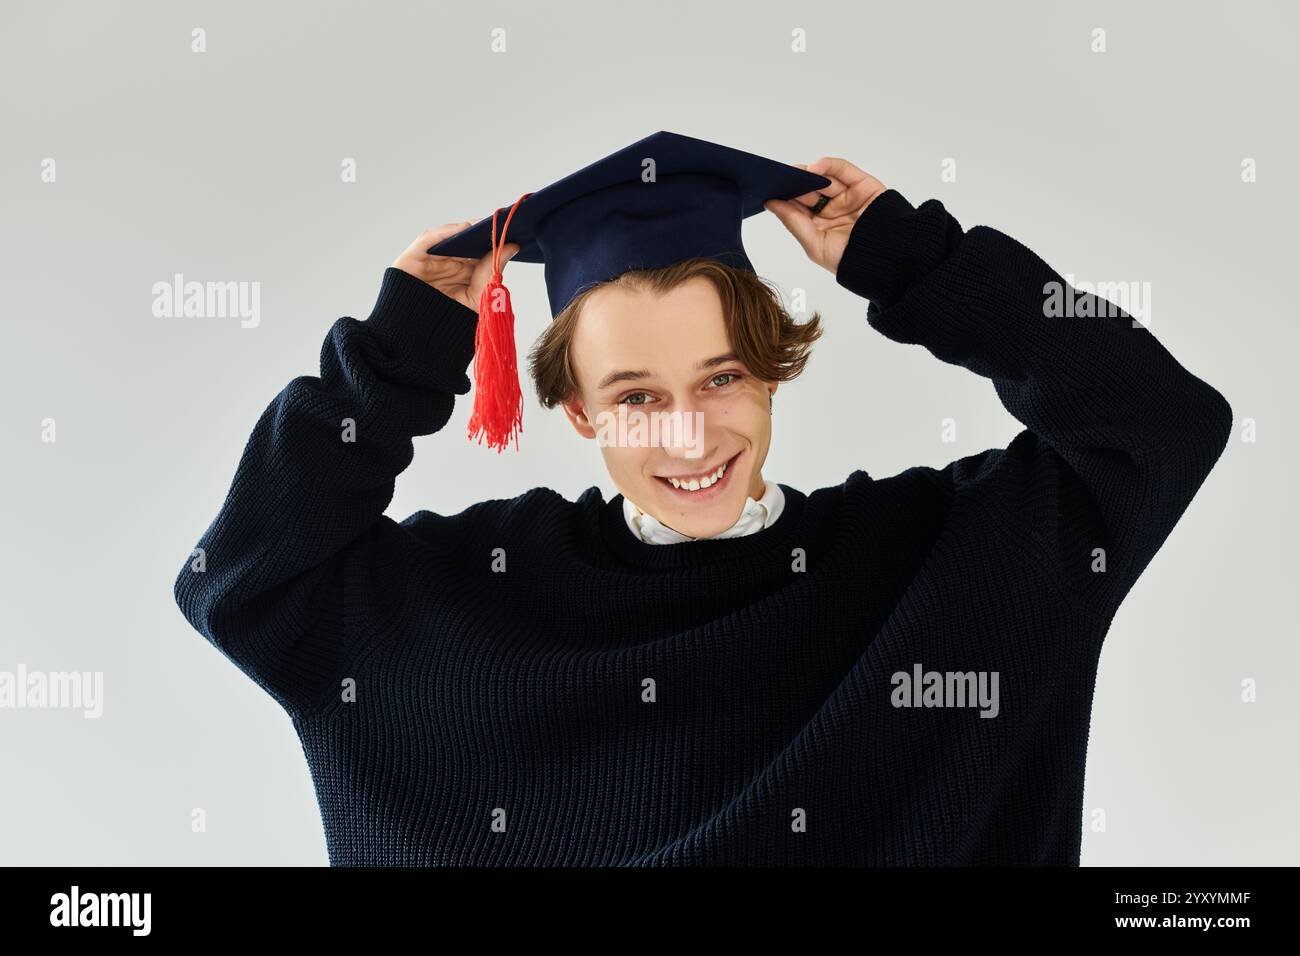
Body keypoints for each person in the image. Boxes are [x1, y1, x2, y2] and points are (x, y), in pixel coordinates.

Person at [173, 131, 1233, 865]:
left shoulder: (945, 564)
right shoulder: (455, 599)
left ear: (772, 369)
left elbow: (1159, 425)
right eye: (634, 395)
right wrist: (394, 355)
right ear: (578, 411)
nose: (688, 435)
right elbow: (242, 581)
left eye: (721, 376)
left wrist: (914, 262)